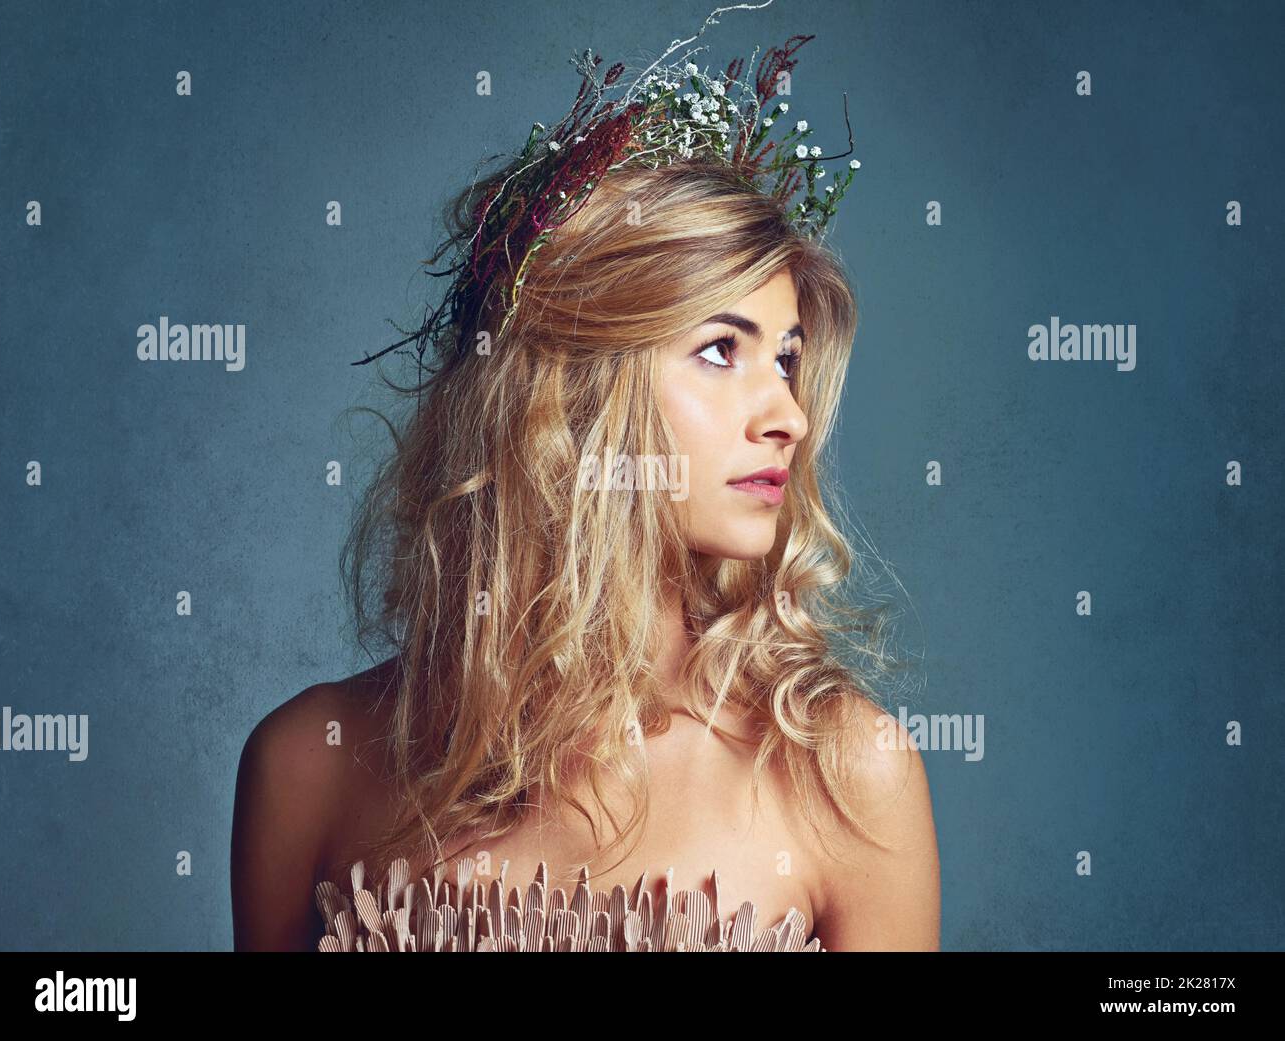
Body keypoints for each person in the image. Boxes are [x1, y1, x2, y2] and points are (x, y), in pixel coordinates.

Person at [231, 15, 939, 952]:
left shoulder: (843, 775)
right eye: (723, 348)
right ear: (564, 395)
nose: (789, 416)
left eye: (790, 358)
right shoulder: (304, 766)